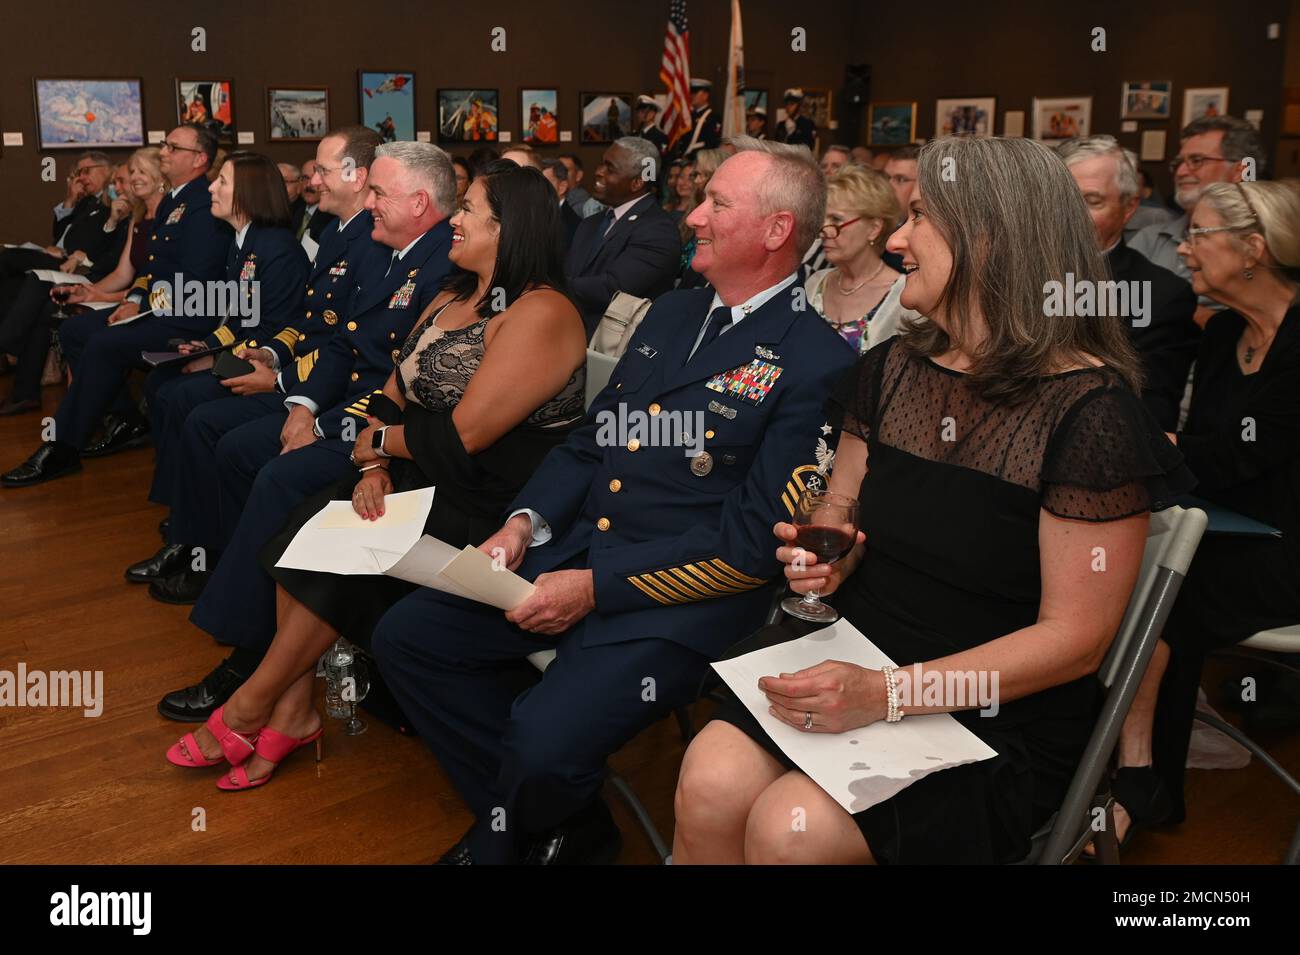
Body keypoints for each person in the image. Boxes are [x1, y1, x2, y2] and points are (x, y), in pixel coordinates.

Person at [671, 135, 1193, 865]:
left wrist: (887, 693)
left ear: (987, 237)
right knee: (709, 780)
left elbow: (1076, 641)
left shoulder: (1090, 413)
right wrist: (829, 556)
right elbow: (839, 508)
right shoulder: (895, 367)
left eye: (919, 217)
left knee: (794, 830)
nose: (896, 237)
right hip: (855, 651)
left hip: (991, 704)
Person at [371, 136, 856, 865]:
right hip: (576, 549)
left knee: (541, 739)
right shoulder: (669, 315)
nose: (692, 216)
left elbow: (752, 544)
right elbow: (592, 446)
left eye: (717, 203)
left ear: (777, 230)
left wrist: (596, 589)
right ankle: (560, 822)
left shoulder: (816, 358)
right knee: (408, 638)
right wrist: (521, 523)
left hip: (676, 597)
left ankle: (520, 823)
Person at [165, 162, 589, 789]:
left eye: (468, 209)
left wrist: (377, 441)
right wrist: (372, 461)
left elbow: (463, 437)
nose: (456, 219)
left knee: (342, 547)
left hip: (494, 507)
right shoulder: (451, 293)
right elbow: (392, 392)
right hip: (425, 479)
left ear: (509, 230)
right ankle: (293, 708)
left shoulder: (543, 312)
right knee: (303, 532)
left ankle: (254, 706)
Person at [154, 141, 456, 721]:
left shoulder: (440, 264)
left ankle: (252, 657)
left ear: (418, 203)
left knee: (278, 477)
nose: (368, 203)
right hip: (346, 403)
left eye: (379, 193)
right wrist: (302, 404)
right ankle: (240, 590)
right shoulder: (385, 249)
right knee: (245, 451)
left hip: (388, 427)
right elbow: (342, 341)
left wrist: (322, 420)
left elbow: (405, 380)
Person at [1100, 179, 1300, 852]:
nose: (1183, 249)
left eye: (1199, 234)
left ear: (1252, 249)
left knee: (1160, 586)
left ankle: (1135, 779)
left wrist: (1147, 440)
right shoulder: (1220, 339)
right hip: (1227, 526)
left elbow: (1242, 455)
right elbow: (1211, 459)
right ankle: (1133, 772)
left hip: (1289, 547)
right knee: (1132, 564)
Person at [1, 124, 228, 485]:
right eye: (164, 145)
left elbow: (196, 278)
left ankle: (62, 448)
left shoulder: (203, 204)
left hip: (188, 318)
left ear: (199, 159)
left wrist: (143, 305)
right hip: (159, 307)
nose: (164, 151)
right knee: (76, 330)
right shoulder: (174, 200)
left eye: (173, 147)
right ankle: (126, 418)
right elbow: (153, 267)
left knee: (105, 344)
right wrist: (135, 298)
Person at [0, 149, 164, 417]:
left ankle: (114, 416)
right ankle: (25, 393)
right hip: (110, 283)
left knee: (20, 269)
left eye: (136, 175)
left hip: (133, 293)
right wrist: (91, 290)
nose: (123, 184)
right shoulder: (119, 211)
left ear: (160, 178)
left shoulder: (131, 214)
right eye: (127, 176)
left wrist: (95, 285)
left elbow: (116, 263)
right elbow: (122, 269)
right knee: (38, 301)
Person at [1058, 135, 1200, 430]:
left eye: (1090, 201)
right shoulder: (1008, 273)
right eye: (1061, 198)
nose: (1069, 216)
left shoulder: (1161, 295)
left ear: (1129, 207)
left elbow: (1147, 415)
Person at [1129, 115, 1263, 326]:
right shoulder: (1149, 238)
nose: (1181, 172)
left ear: (1242, 171)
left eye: (1197, 161)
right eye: (1179, 162)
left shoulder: (1261, 243)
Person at [564, 137, 680, 338]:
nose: (598, 171)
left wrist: (554, 284)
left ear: (637, 182)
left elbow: (614, 289)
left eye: (610, 168)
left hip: (618, 350)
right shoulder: (591, 223)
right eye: (602, 163)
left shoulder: (658, 230)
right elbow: (572, 271)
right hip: (571, 336)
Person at [0, 152, 116, 321]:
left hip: (72, 264)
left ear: (106, 170)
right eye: (79, 173)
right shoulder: (87, 202)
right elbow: (59, 234)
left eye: (86, 171)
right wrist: (70, 200)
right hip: (56, 254)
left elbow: (98, 243)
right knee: (13, 280)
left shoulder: (111, 204)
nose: (82, 178)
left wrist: (65, 253)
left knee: (9, 258)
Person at [804, 165, 903, 353]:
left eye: (836, 219)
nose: (824, 230)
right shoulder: (815, 284)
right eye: (822, 219)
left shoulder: (902, 298)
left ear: (874, 228)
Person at [676, 148, 726, 289]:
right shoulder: (690, 213)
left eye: (700, 175)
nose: (696, 181)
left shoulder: (723, 221)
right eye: (695, 175)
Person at [542, 158, 582, 252]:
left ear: (562, 187)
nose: (537, 189)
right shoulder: (536, 216)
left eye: (544, 184)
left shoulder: (572, 226)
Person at [678, 78, 721, 158]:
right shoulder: (688, 115)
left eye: (695, 93)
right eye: (691, 93)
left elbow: (712, 144)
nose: (692, 96)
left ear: (705, 95)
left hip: (700, 160)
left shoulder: (712, 117)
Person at [559, 153, 602, 218]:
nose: (559, 174)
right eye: (556, 171)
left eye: (564, 170)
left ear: (578, 175)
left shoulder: (583, 204)